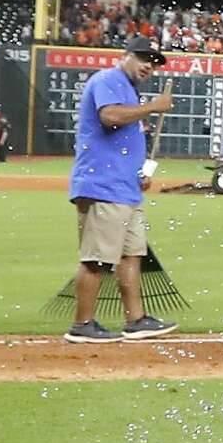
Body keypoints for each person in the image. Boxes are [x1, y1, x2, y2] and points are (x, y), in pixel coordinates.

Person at [64, 36, 176, 343]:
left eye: (153, 63)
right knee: (96, 259)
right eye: (143, 59)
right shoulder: (108, 80)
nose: (149, 66)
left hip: (125, 188)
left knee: (131, 256)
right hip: (103, 187)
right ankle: (82, 324)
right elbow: (109, 116)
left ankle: (135, 320)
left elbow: (122, 140)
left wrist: (138, 174)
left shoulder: (128, 91)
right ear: (125, 56)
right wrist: (155, 107)